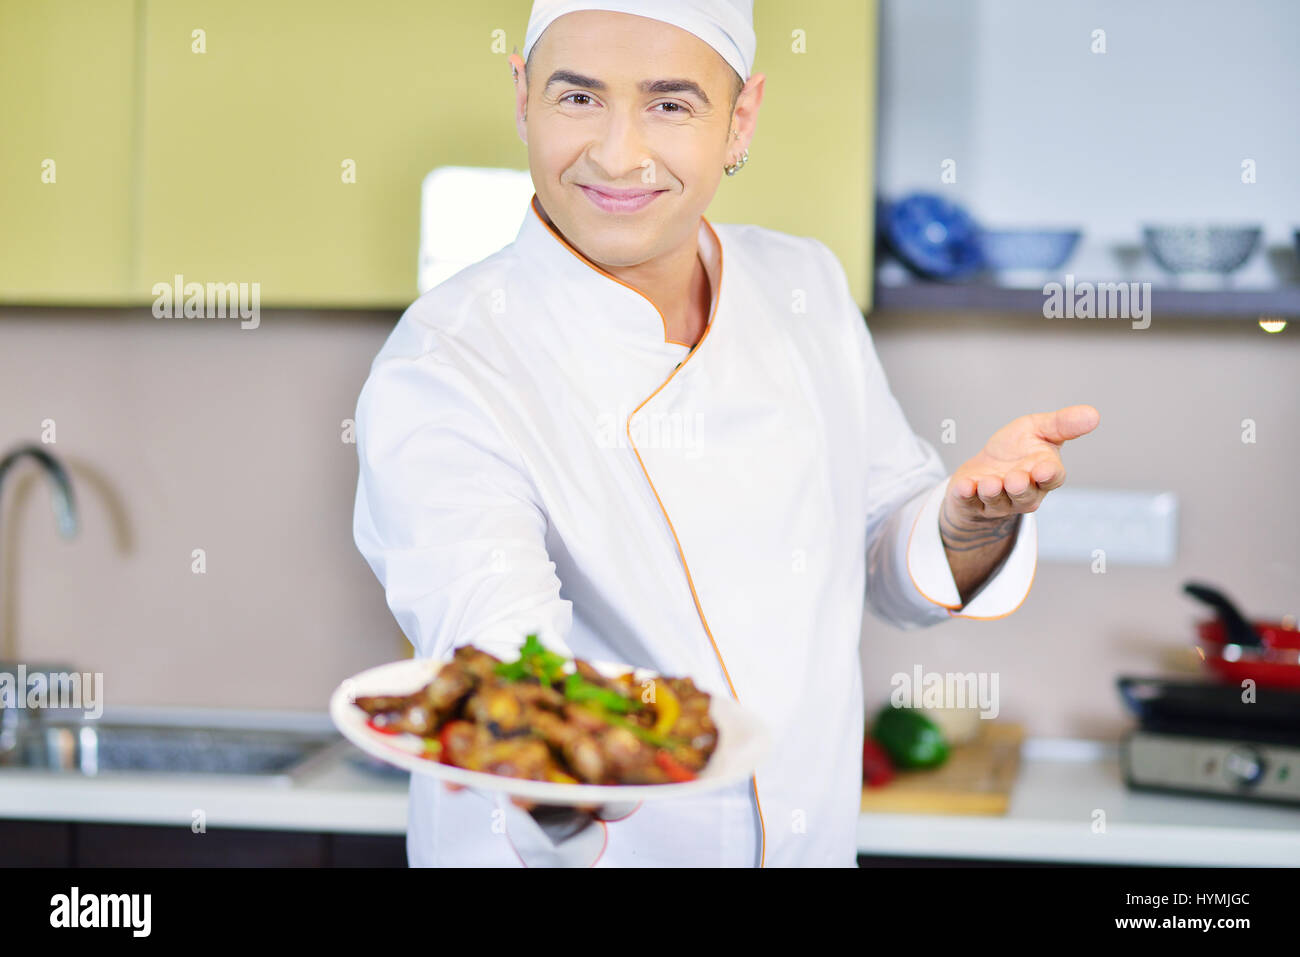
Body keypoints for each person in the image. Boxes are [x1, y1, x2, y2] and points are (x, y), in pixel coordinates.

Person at [352, 0, 1099, 867]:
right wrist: (567, 782)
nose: (617, 153)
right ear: (523, 97)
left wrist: (966, 526)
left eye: (670, 104)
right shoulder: (446, 361)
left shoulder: (803, 286)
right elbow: (499, 646)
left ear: (740, 119)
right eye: (577, 98)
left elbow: (886, 558)